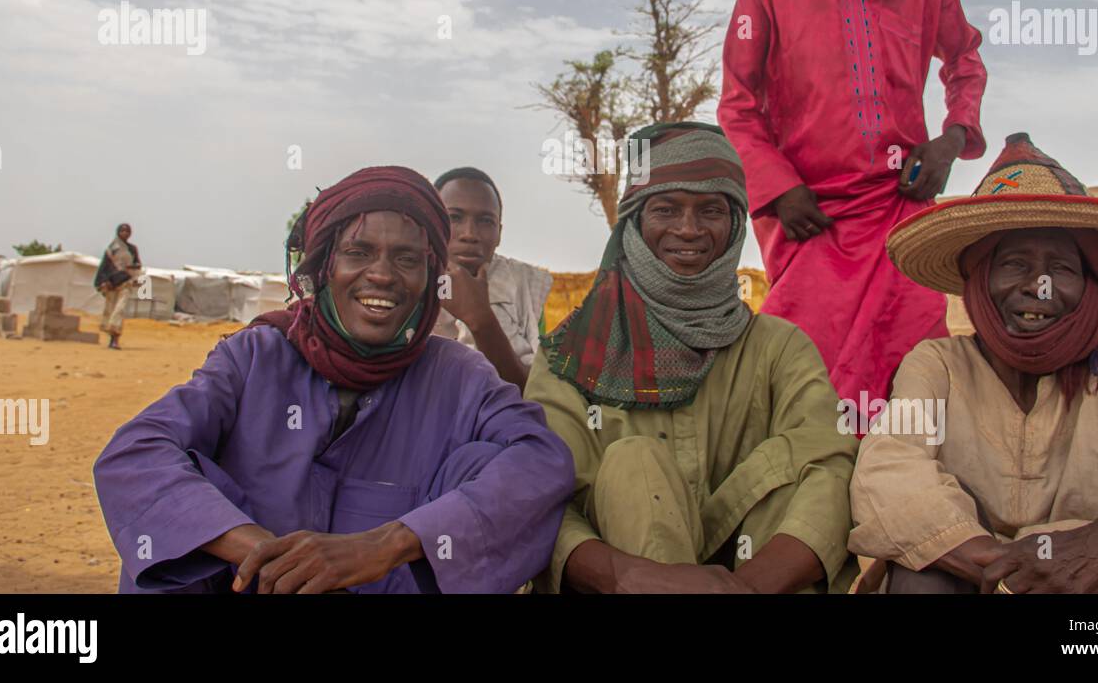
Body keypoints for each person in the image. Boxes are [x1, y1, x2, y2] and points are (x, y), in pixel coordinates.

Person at [94, 167, 574, 594]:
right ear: (324, 268)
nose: (382, 275)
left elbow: (542, 460)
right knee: (186, 486)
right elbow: (136, 453)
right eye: (359, 252)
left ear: (430, 276)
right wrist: (266, 554)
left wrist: (383, 546)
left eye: (407, 259)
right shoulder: (255, 358)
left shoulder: (459, 377)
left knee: (489, 461)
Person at [850, 133, 1098, 593]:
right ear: (979, 278)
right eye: (1014, 264)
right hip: (975, 577)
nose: (1038, 287)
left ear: (1090, 283)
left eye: (1061, 268)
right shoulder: (938, 364)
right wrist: (1005, 566)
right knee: (920, 571)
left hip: (1090, 586)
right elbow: (891, 469)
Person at [718, 0, 987, 415]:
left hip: (902, 200)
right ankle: (806, 500)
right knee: (803, 376)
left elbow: (964, 59)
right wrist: (779, 187)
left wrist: (953, 140)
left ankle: (899, 498)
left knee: (907, 369)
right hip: (808, 214)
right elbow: (736, 105)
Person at [525, 123, 857, 594]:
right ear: (635, 222)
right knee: (632, 464)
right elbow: (542, 500)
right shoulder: (571, 355)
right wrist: (632, 575)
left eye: (710, 210)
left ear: (736, 222)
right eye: (665, 208)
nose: (688, 229)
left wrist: (747, 587)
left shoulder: (779, 347)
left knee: (807, 460)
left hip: (758, 578)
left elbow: (831, 469)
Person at [432, 167, 553, 391]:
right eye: (454, 218)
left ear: (499, 233)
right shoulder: (407, 283)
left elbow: (536, 390)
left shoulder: (528, 288)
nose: (469, 234)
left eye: (485, 221)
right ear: (431, 224)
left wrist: (481, 319)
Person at [93, 223, 141, 350]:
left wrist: (132, 272)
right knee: (110, 311)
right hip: (112, 284)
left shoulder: (132, 249)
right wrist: (103, 281)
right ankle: (111, 339)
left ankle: (115, 339)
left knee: (119, 311)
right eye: (122, 231)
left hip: (126, 283)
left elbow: (138, 265)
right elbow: (104, 267)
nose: (125, 233)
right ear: (118, 232)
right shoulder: (112, 249)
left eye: (127, 231)